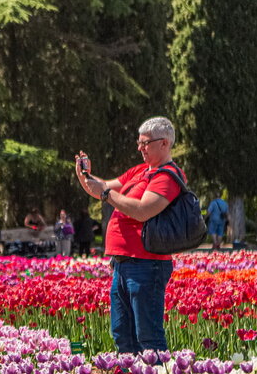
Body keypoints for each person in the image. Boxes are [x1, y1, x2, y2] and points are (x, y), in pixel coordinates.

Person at [75, 116, 183, 354]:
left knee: (148, 337)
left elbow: (143, 211)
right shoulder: (139, 171)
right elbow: (102, 187)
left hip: (147, 264)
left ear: (164, 143)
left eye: (145, 143)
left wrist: (105, 194)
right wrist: (85, 175)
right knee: (122, 334)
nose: (139, 148)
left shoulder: (167, 176)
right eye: (139, 142)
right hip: (122, 264)